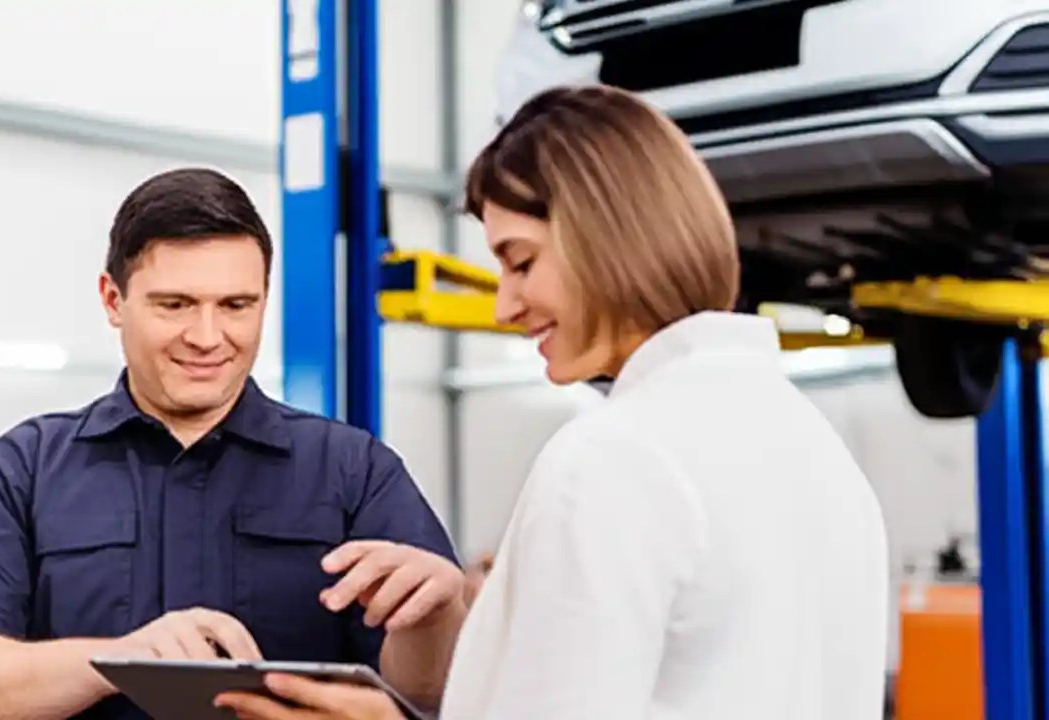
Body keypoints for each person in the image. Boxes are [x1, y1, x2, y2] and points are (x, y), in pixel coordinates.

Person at [214, 85, 890, 720]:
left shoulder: (613, 459)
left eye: (522, 261)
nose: (506, 306)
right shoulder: (819, 452)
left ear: (610, 235)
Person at [0, 168, 469, 720]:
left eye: (235, 306)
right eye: (174, 305)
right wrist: (117, 659)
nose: (206, 337)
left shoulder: (353, 471)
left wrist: (436, 619)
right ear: (112, 299)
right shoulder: (24, 470)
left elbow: (428, 697)